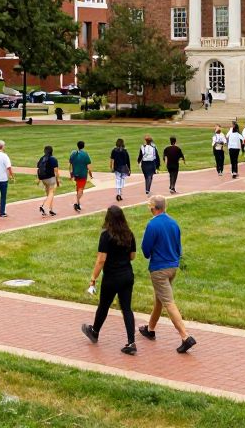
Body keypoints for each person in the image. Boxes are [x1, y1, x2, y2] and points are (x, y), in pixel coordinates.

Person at [138, 195, 196, 354]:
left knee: (168, 302)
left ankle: (185, 336)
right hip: (173, 267)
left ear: (154, 208)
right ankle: (150, 329)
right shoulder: (173, 223)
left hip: (159, 269)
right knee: (160, 299)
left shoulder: (152, 225)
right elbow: (178, 246)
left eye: (150, 207)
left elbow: (145, 250)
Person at [81, 205, 138, 355]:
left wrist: (93, 278)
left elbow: (101, 259)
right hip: (127, 275)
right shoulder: (129, 234)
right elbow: (132, 256)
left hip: (112, 277)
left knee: (104, 305)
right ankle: (131, 342)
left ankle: (95, 331)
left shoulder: (106, 235)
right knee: (126, 308)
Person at [68, 140, 93, 212]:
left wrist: (71, 175)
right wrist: (91, 175)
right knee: (81, 190)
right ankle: (76, 203)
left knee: (78, 188)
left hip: (75, 174)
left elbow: (69, 166)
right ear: (83, 146)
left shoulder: (73, 154)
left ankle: (78, 203)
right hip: (82, 174)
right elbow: (88, 167)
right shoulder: (85, 154)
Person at [36, 145, 60, 217]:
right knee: (51, 193)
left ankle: (50, 210)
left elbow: (38, 169)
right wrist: (58, 180)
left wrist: (38, 179)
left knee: (49, 195)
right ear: (52, 151)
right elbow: (56, 171)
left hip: (43, 179)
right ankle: (44, 206)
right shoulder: (53, 159)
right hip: (51, 179)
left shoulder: (42, 158)